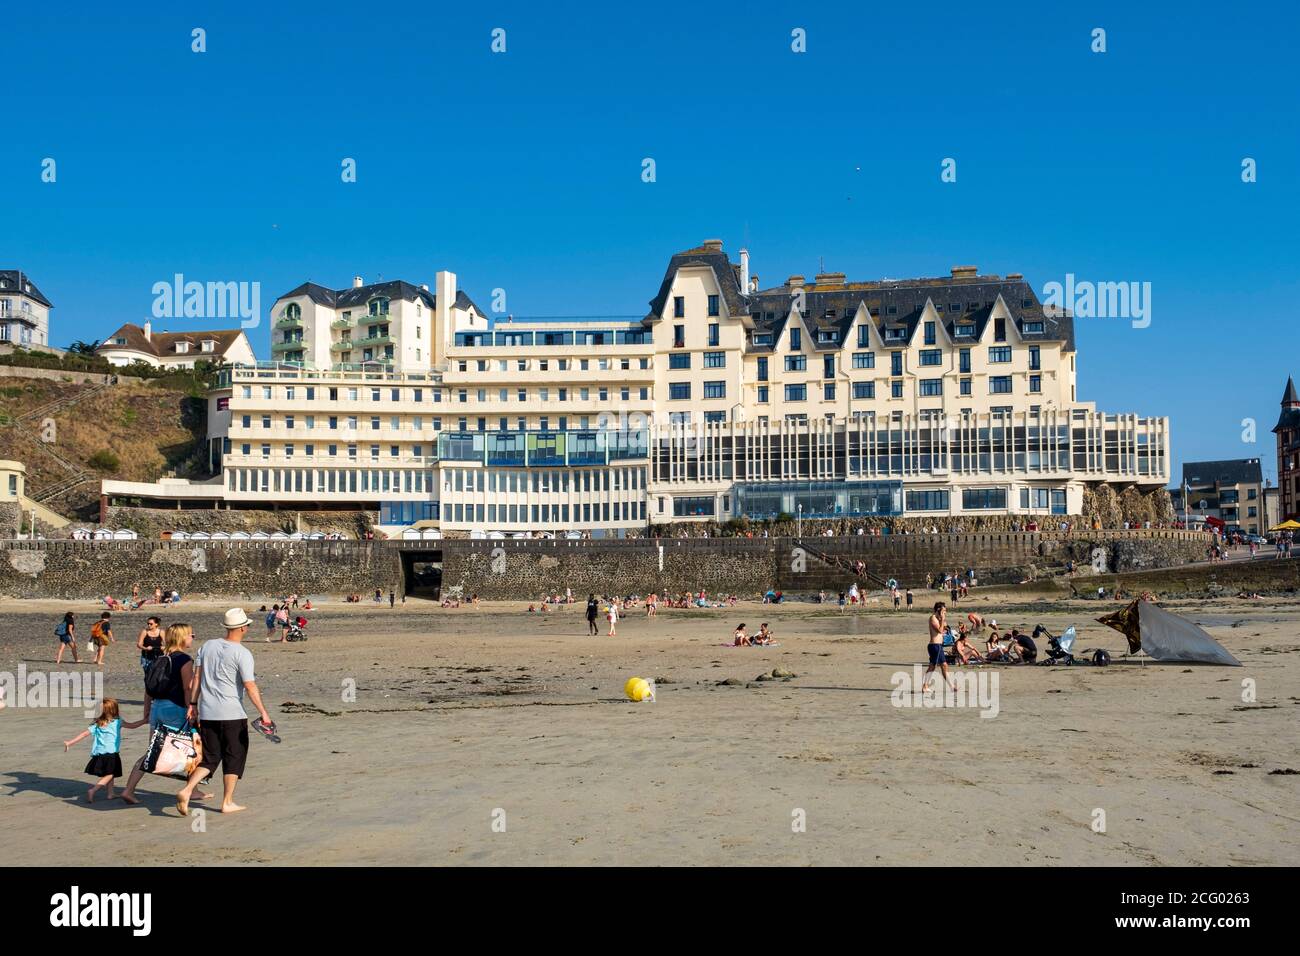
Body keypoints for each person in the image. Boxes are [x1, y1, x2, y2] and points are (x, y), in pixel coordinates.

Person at [177, 608, 272, 816]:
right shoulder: (242, 653)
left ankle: (187, 789)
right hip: (232, 714)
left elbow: (197, 679)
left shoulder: (207, 646)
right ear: (242, 628)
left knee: (210, 758)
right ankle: (227, 802)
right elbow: (250, 686)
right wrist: (264, 713)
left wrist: (192, 704)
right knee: (234, 756)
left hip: (208, 712)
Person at [122, 623, 209, 805]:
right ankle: (192, 790)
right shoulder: (184, 660)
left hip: (157, 707)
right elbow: (187, 688)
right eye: (191, 635)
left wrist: (147, 713)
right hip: (176, 708)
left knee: (153, 749)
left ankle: (129, 789)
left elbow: (148, 689)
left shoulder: (159, 658)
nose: (193, 637)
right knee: (191, 747)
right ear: (182, 638)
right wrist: (192, 708)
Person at [63, 698, 146, 803]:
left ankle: (110, 793)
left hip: (99, 754)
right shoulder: (117, 722)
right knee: (110, 774)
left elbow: (84, 734)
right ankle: (93, 790)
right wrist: (144, 721)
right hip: (111, 754)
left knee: (109, 773)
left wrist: (70, 742)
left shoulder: (98, 723)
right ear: (114, 710)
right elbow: (132, 725)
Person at [923, 602, 956, 694]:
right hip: (934, 646)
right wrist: (942, 620)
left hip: (938, 646)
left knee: (939, 666)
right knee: (935, 667)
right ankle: (925, 686)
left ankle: (951, 686)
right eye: (943, 610)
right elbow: (940, 630)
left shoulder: (938, 619)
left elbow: (945, 629)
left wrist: (942, 620)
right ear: (938, 610)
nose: (945, 612)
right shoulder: (933, 618)